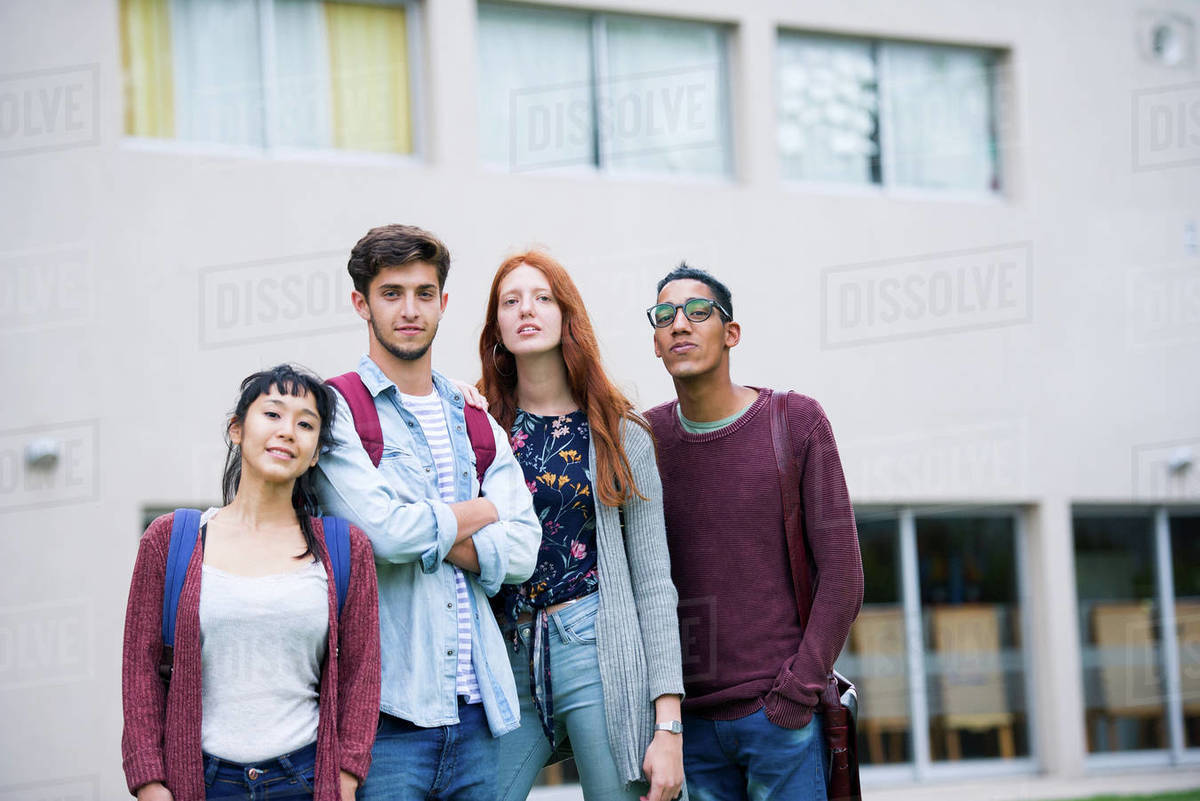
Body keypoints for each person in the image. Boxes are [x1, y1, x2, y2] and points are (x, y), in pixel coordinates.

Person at [312, 224, 542, 801]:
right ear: (361, 302)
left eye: (422, 293)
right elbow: (382, 535)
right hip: (387, 721)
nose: (409, 310)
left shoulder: (474, 418)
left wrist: (429, 525)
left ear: (443, 302)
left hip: (480, 717)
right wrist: (483, 509)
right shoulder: (337, 412)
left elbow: (524, 550)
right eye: (391, 293)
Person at [643, 264, 863, 801]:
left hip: (778, 718)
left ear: (731, 334)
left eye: (698, 312)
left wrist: (797, 691)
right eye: (665, 315)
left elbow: (843, 575)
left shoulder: (795, 422)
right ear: (655, 341)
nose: (680, 325)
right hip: (685, 730)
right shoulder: (642, 439)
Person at [477, 250, 686, 801]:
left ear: (567, 316)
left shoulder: (621, 434)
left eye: (543, 298)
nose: (527, 309)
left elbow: (653, 583)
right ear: (496, 326)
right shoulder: (476, 429)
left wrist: (668, 723)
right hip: (504, 654)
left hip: (595, 644)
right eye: (511, 301)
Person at [121, 364, 381, 801]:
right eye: (273, 415)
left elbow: (362, 674)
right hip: (201, 782)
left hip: (304, 778)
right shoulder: (170, 540)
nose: (287, 431)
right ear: (237, 430)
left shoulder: (345, 548)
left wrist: (347, 778)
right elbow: (140, 672)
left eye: (305, 424)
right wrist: (150, 783)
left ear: (315, 452)